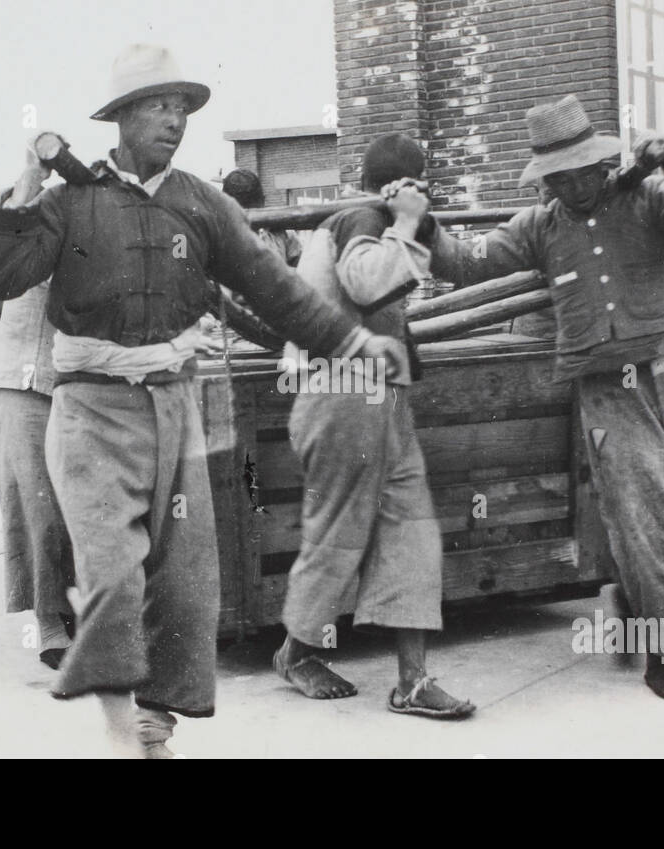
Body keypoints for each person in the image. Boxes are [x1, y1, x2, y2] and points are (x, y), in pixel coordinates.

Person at [0, 44, 409, 757]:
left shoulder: (202, 204)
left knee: (183, 587)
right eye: (158, 106)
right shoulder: (70, 199)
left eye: (181, 108)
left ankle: (155, 730)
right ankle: (122, 735)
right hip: (89, 409)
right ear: (121, 117)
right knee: (112, 577)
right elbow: (1, 278)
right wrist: (27, 182)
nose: (174, 120)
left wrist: (354, 343)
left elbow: (276, 289)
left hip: (176, 404)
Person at [420, 94, 664, 703]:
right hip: (605, 386)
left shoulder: (649, 197)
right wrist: (422, 224)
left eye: (580, 173)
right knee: (642, 511)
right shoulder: (539, 228)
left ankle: (635, 594)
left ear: (601, 163)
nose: (571, 186)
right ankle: (663, 652)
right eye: (556, 178)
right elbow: (464, 263)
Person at [272, 133, 475, 719]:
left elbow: (462, 263)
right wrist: (406, 222)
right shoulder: (360, 218)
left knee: (412, 535)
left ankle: (413, 681)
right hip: (341, 393)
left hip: (383, 396)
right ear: (401, 183)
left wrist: (419, 224)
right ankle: (296, 654)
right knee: (338, 538)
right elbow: (365, 283)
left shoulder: (376, 220)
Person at [0, 281, 76, 669]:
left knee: (80, 512)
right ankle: (49, 622)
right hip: (25, 386)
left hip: (80, 389)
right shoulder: (28, 249)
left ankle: (70, 606)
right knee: (41, 515)